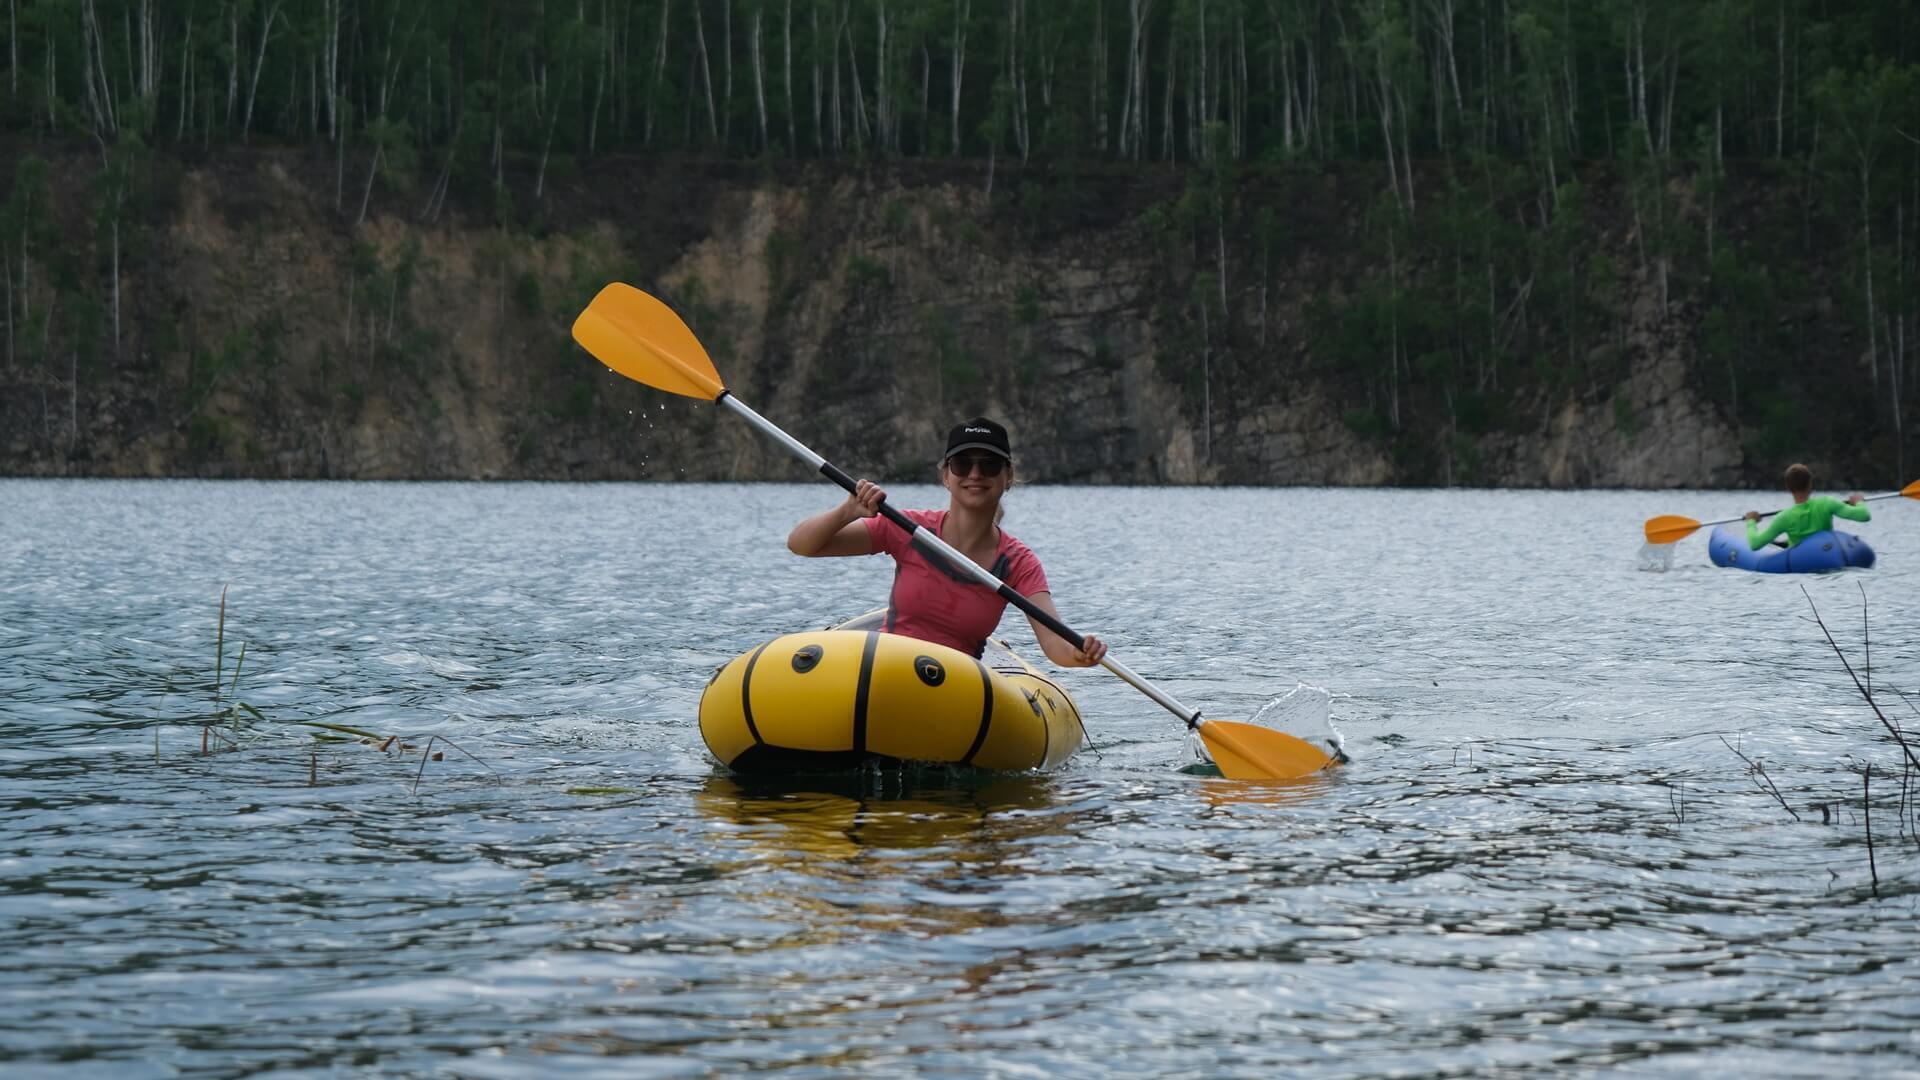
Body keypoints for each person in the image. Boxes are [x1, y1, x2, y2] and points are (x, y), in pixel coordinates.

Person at [787, 417, 1108, 668]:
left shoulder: (1019, 562)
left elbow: (1056, 645)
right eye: (962, 464)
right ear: (946, 476)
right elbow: (802, 544)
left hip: (956, 683)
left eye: (989, 465)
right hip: (890, 665)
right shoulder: (908, 527)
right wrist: (847, 511)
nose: (975, 473)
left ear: (1008, 477)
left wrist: (1082, 654)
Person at [1743, 463, 1869, 550]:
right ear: (1810, 484)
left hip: (1801, 557)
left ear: (1788, 488)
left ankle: (1788, 542)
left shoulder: (1783, 517)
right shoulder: (1827, 503)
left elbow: (1755, 544)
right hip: (1825, 550)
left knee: (1782, 541)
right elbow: (1864, 515)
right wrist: (1859, 501)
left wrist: (1751, 522)